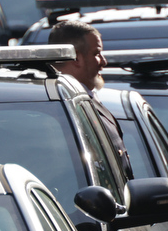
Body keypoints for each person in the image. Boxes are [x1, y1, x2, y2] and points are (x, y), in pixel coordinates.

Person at [45, 19, 131, 175]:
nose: (103, 61)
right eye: (96, 53)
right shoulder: (59, 109)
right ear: (77, 58)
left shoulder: (82, 101)